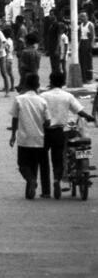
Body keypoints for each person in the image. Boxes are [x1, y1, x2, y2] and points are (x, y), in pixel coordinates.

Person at [39, 71, 96, 199]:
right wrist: (90, 117)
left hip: (45, 131)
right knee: (58, 159)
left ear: (50, 81)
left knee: (43, 160)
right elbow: (80, 111)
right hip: (59, 131)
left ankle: (46, 191)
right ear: (63, 83)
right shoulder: (67, 96)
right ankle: (56, 181)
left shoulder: (43, 96)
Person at [9, 73, 51, 199]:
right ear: (38, 85)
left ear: (26, 85)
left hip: (24, 138)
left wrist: (13, 135)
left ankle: (31, 180)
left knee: (22, 165)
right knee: (34, 164)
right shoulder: (42, 101)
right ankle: (31, 185)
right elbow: (48, 122)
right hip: (39, 138)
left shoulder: (19, 99)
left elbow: (14, 119)